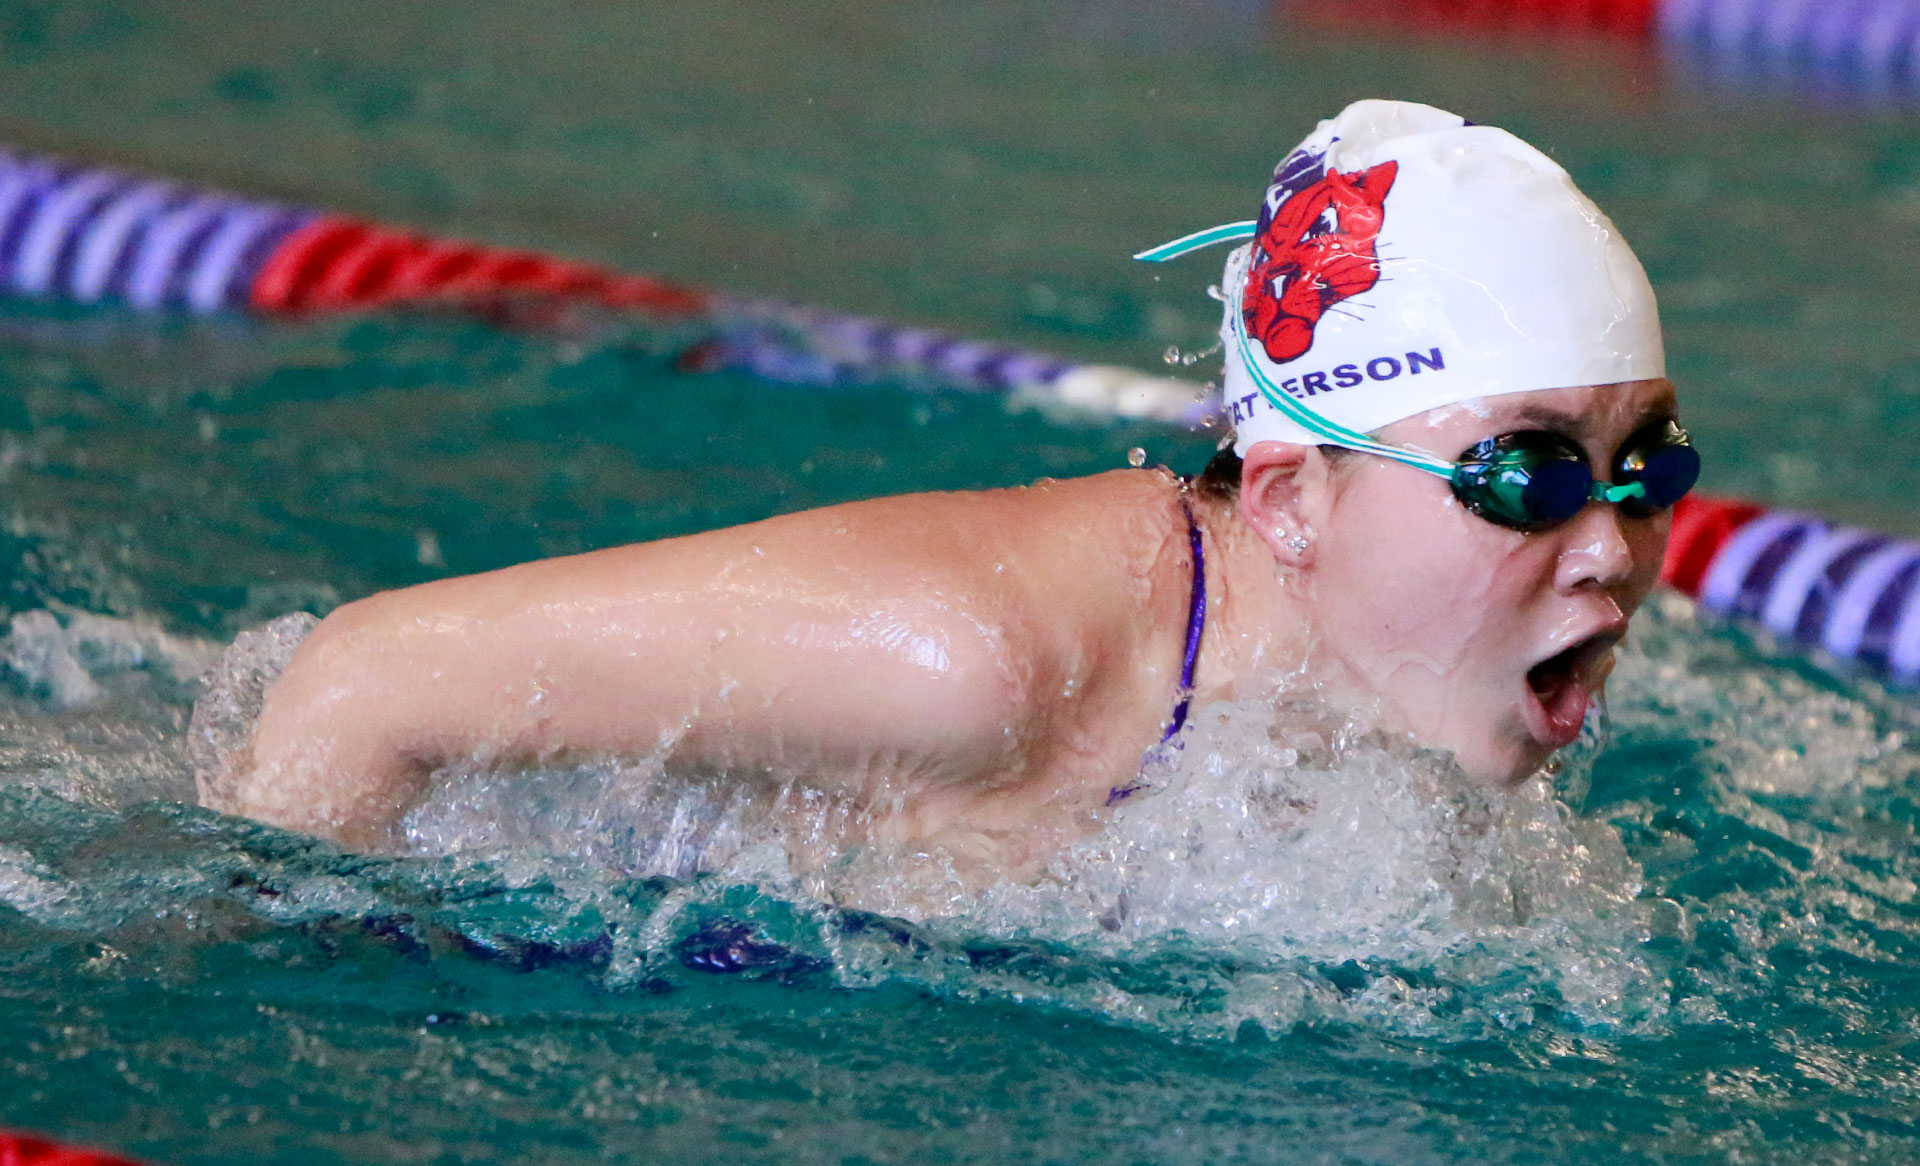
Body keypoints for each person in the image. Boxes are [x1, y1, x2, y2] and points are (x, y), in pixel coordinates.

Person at [195, 100, 1696, 877]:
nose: (1614, 548)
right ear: (1291, 495)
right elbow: (358, 680)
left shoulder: (1376, 709)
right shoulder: (977, 666)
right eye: (1529, 473)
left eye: (1648, 469)